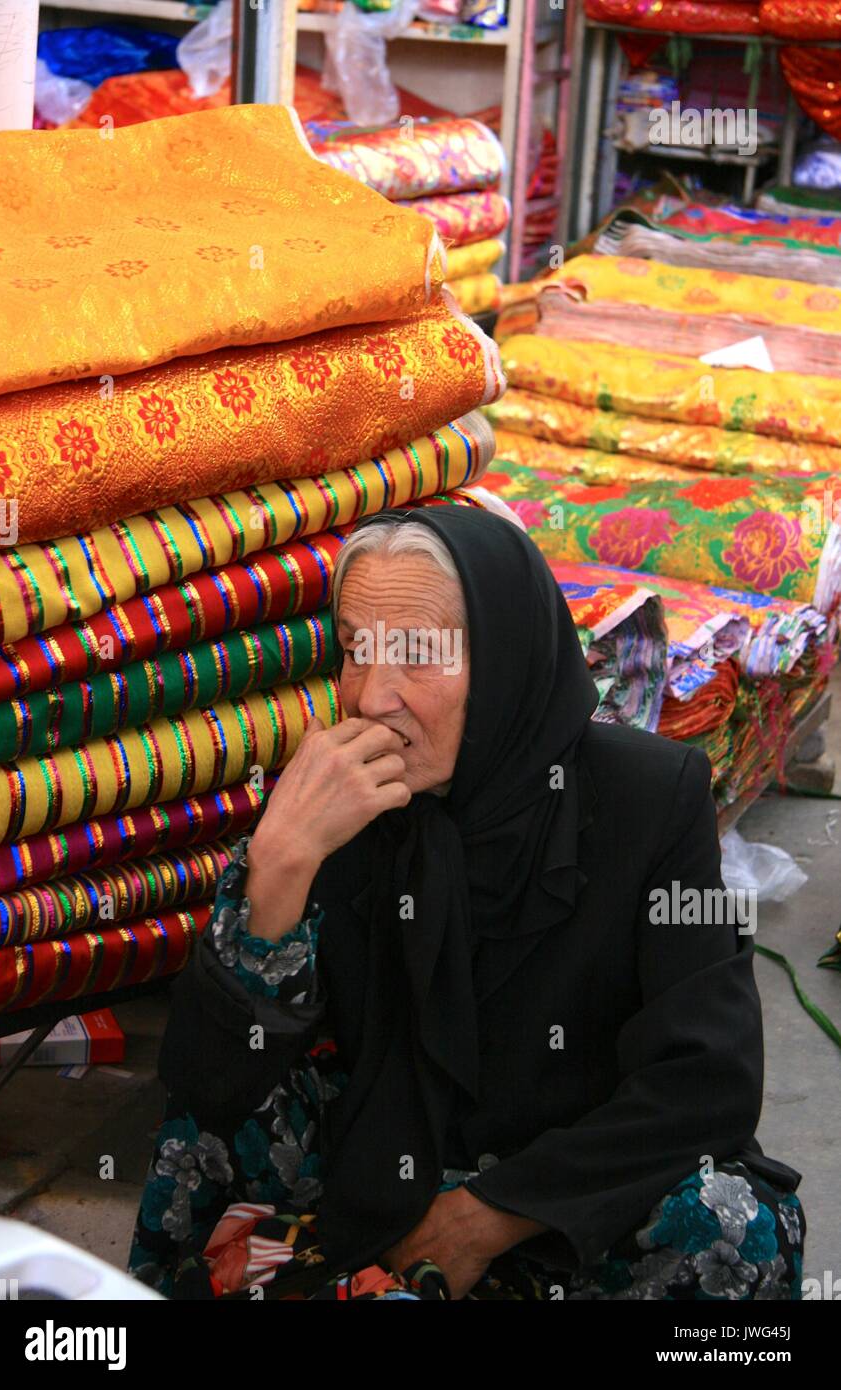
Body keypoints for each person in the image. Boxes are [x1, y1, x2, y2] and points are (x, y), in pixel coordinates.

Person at [129, 505, 804, 1300]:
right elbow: (207, 1077)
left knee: (728, 1224)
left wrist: (486, 1216)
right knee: (208, 1125)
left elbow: (710, 1076)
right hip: (374, 1183)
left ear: (507, 658)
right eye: (354, 651)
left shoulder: (654, 796)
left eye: (417, 653)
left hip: (563, 1204)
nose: (374, 696)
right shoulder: (334, 805)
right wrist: (279, 862)